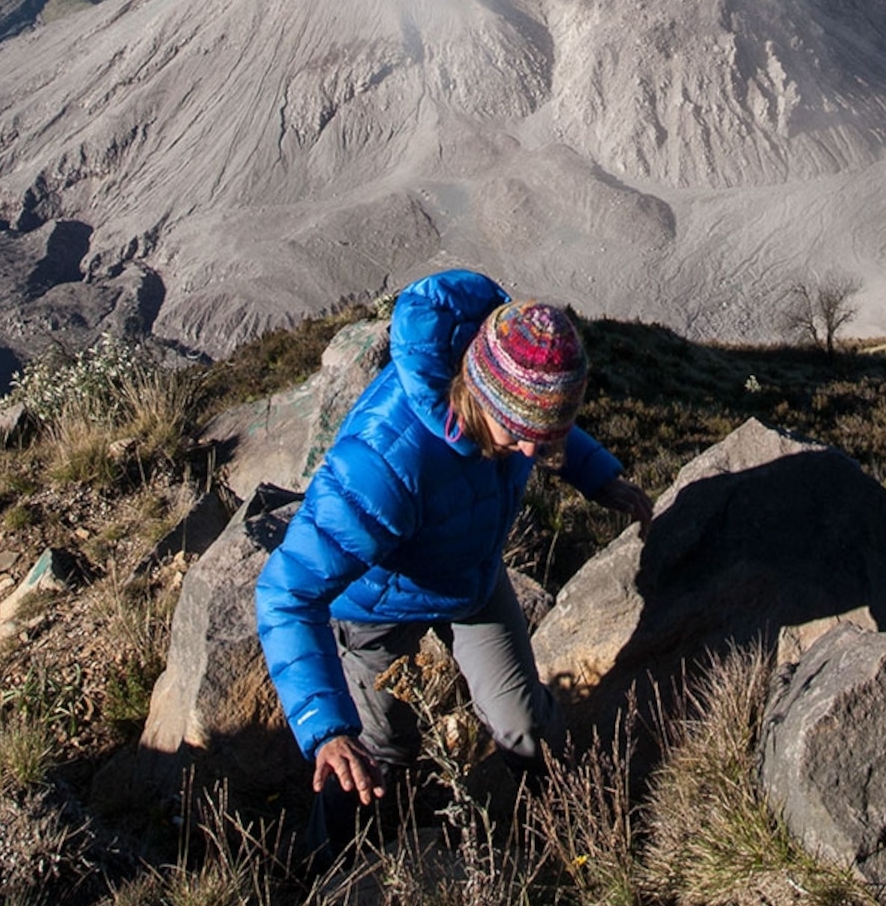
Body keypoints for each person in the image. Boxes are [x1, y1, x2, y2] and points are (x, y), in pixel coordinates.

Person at [254, 270, 655, 820]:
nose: (532, 455)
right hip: (377, 605)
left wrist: (596, 476)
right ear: (478, 395)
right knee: (375, 758)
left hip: (471, 577)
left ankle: (566, 829)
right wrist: (326, 730)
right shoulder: (386, 464)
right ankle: (339, 866)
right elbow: (284, 593)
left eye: (546, 439)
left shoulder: (510, 401)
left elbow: (539, 421)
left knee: (525, 729)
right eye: (517, 436)